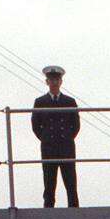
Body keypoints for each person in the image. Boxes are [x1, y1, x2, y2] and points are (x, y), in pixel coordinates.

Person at [31, 65, 81, 208]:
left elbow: (76, 125)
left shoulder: (70, 102)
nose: (54, 82)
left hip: (66, 147)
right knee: (49, 184)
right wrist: (46, 138)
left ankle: (74, 211)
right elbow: (36, 126)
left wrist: (66, 138)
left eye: (57, 79)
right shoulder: (40, 102)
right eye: (51, 80)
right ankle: (48, 211)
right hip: (49, 148)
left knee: (71, 183)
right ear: (47, 82)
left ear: (61, 82)